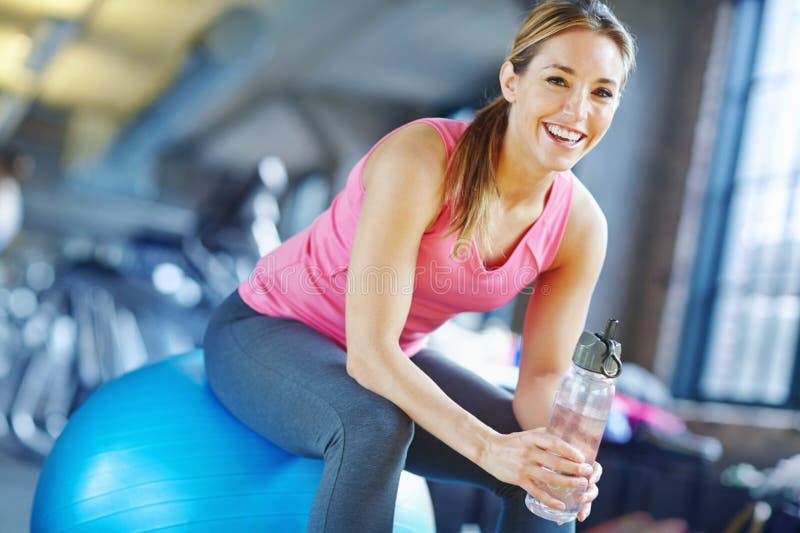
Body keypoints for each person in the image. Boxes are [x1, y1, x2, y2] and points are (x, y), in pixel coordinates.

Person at [202, 0, 636, 531]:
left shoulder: (580, 227)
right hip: (268, 331)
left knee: (538, 471)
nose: (577, 111)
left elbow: (543, 375)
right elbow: (370, 356)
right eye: (557, 79)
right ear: (512, 80)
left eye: (601, 92)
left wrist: (562, 465)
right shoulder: (422, 157)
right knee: (373, 423)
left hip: (393, 355)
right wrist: (488, 448)